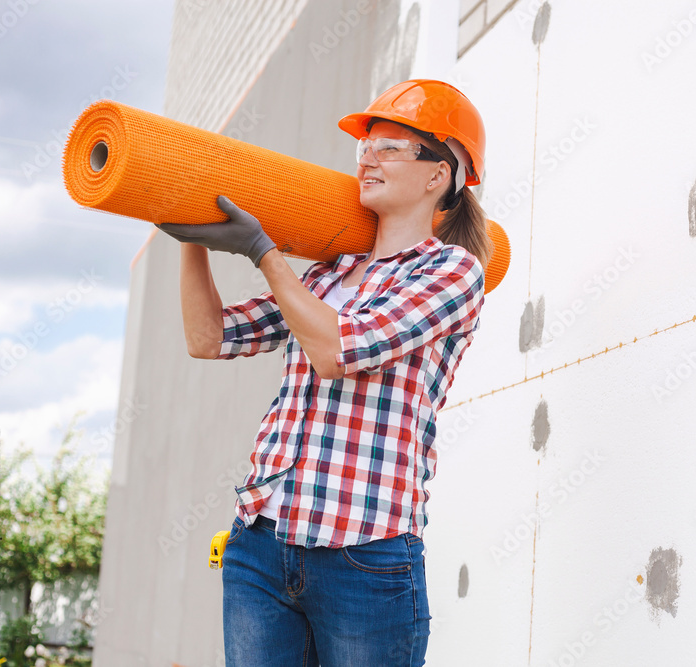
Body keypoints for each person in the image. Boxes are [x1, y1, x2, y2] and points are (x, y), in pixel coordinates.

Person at [155, 79, 493, 666]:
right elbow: (208, 338)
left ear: (439, 175)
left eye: (388, 147)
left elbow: (339, 350)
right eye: (364, 146)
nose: (367, 159)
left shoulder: (452, 273)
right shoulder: (327, 275)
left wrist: (263, 253)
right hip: (262, 541)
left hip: (364, 553)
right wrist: (193, 235)